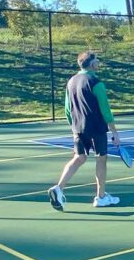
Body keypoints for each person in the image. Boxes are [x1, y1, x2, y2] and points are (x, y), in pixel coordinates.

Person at [48, 51, 121, 210]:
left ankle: (59, 188)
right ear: (92, 64)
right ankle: (101, 197)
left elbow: (67, 110)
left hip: (78, 128)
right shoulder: (96, 83)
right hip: (96, 128)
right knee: (101, 159)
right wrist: (115, 132)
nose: (99, 63)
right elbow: (105, 110)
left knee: (79, 158)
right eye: (97, 61)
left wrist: (74, 128)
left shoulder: (71, 81)